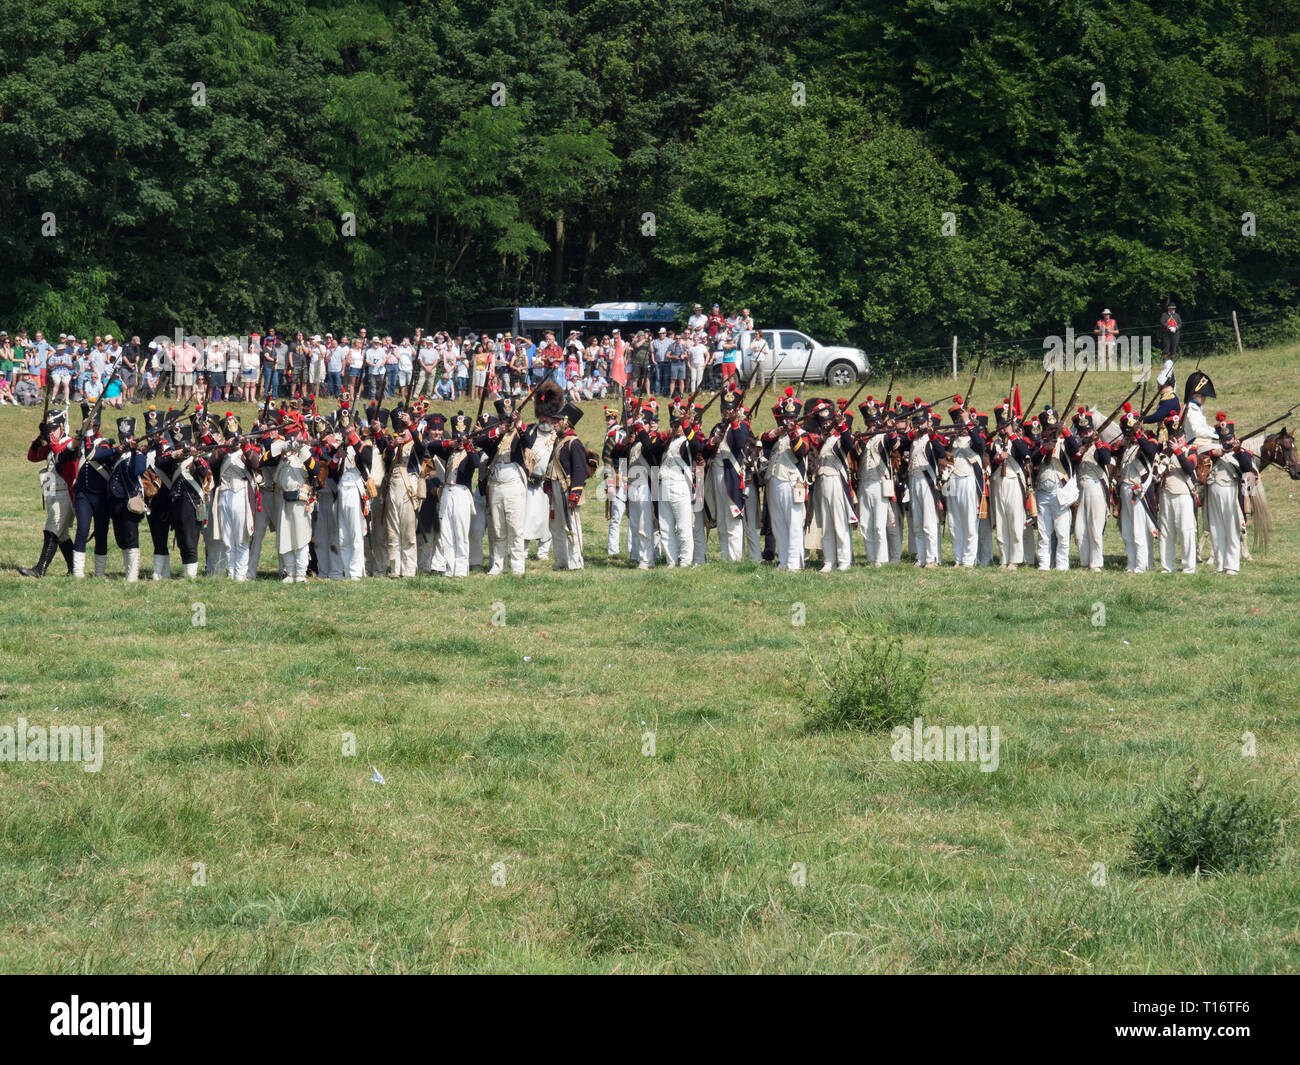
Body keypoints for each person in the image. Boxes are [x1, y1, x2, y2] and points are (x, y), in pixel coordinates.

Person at [478, 390, 539, 576]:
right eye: (504, 420)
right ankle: (498, 565)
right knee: (497, 527)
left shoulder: (521, 432)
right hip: (496, 482)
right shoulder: (496, 434)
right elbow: (480, 441)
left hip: (514, 482)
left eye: (509, 419)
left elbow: (529, 442)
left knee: (515, 527)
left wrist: (519, 423)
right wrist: (498, 431)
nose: (507, 423)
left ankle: (518, 567)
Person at [19, 409, 78, 577]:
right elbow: (32, 457)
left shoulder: (70, 442)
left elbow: (60, 451)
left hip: (65, 493)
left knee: (52, 529)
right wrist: (39, 439)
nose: (51, 432)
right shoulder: (52, 445)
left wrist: (49, 438)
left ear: (62, 427)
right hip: (51, 490)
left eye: (54, 428)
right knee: (62, 534)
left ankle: (40, 569)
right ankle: (74, 567)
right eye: (49, 429)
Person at [763, 388, 812, 571]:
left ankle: (795, 562)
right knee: (778, 524)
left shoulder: (802, 434)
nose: (788, 420)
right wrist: (780, 431)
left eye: (791, 418)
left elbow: (801, 451)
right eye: (786, 417)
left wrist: (792, 433)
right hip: (774, 481)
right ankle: (784, 561)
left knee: (793, 524)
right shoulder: (778, 434)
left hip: (791, 483)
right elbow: (764, 439)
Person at [702, 387, 752, 562]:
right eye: (724, 408)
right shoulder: (717, 427)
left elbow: (739, 443)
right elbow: (705, 452)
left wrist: (735, 422)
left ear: (736, 410)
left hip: (731, 474)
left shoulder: (742, 425)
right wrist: (712, 442)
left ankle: (735, 558)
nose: (727, 411)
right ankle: (726, 557)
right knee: (722, 520)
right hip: (716, 474)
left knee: (733, 518)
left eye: (730, 409)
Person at [541, 396, 590, 571]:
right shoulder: (558, 441)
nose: (554, 424)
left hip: (566, 489)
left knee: (572, 528)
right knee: (556, 527)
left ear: (567, 423)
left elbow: (580, 471)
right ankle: (561, 562)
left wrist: (574, 494)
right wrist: (548, 483)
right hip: (555, 489)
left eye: (558, 421)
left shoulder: (574, 443)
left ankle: (576, 563)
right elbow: (551, 464)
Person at [806, 399, 856, 571]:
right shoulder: (820, 441)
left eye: (828, 421)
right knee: (826, 525)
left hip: (836, 480)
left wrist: (842, 426)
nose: (826, 424)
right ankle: (829, 560)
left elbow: (849, 445)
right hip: (821, 482)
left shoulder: (840, 436)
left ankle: (844, 560)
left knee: (840, 523)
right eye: (823, 422)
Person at [1065, 407, 1112, 570]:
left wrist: (1097, 442)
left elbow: (1105, 459)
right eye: (1083, 432)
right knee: (1079, 531)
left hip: (1096, 488)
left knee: (1095, 528)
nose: (1086, 434)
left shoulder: (1101, 446)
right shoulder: (1077, 447)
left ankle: (1096, 563)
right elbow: (1071, 447)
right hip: (1081, 490)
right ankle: (1085, 562)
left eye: (1088, 431)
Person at [1204, 414, 1252, 575]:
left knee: (1232, 528)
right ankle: (1220, 564)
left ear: (1234, 437)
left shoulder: (1241, 452)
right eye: (1224, 439)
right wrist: (1215, 454)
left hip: (1230, 490)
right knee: (1216, 528)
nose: (1227, 441)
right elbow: (1202, 459)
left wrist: (1237, 450)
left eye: (1229, 438)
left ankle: (1232, 565)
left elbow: (1246, 467)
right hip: (1213, 490)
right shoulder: (1214, 450)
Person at [1028, 408, 1075, 571]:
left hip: (1060, 492)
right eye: (1048, 428)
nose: (1051, 430)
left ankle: (1062, 565)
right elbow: (1032, 460)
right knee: (1043, 532)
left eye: (1054, 428)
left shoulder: (1064, 443)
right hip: (1042, 493)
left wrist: (1066, 432)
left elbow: (1075, 451)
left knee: (1062, 533)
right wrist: (1044, 449)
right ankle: (1044, 564)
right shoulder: (1037, 445)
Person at [940, 398, 985, 567]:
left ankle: (968, 559)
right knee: (954, 522)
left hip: (968, 480)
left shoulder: (974, 438)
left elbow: (980, 444)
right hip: (952, 482)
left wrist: (968, 422)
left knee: (968, 523)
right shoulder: (950, 440)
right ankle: (958, 558)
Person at [1114, 407, 1158, 573]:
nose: (1129, 435)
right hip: (1124, 487)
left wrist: (1139, 436)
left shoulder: (1146, 441)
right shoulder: (1126, 446)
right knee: (1126, 530)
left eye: (1131, 432)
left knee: (1138, 529)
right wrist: (1120, 445)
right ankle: (1131, 563)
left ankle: (1141, 564)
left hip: (1137, 489)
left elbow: (1151, 452)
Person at [988, 401, 1031, 568]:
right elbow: (988, 466)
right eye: (1001, 424)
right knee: (1000, 522)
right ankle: (1004, 558)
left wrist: (1012, 434)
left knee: (1014, 521)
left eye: (1006, 424)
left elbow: (1025, 453)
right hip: (998, 484)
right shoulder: (993, 444)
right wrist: (998, 458)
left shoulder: (1018, 440)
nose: (1003, 427)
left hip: (1013, 482)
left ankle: (1015, 559)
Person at [1155, 412, 1199, 574]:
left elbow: (1189, 468)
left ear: (1184, 437)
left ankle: (1188, 567)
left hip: (1183, 494)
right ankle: (1167, 566)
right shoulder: (1165, 452)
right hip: (1166, 493)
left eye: (1180, 437)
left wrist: (1178, 451)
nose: (1178, 440)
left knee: (1185, 530)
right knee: (1166, 532)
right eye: (1174, 437)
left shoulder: (1191, 450)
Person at [106, 416, 148, 582]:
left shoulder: (138, 454)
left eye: (127, 437)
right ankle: (127, 570)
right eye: (122, 437)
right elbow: (98, 456)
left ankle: (132, 575)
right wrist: (118, 450)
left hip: (130, 501)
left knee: (131, 537)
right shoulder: (115, 454)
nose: (124, 439)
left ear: (132, 437)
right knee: (120, 539)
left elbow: (135, 471)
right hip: (115, 502)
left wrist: (132, 450)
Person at [905, 406, 945, 568]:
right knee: (917, 523)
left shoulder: (932, 439)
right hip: (914, 480)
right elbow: (899, 444)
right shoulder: (913, 439)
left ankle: (932, 558)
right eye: (916, 425)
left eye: (921, 424)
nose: (919, 427)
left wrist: (932, 435)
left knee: (929, 522)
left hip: (927, 482)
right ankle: (921, 557)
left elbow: (941, 453)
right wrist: (912, 434)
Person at [601, 405, 628, 556]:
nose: (608, 420)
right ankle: (613, 550)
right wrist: (610, 480)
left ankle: (633, 550)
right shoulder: (614, 435)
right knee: (616, 517)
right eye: (607, 418)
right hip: (619, 476)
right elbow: (607, 458)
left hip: (636, 477)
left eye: (611, 418)